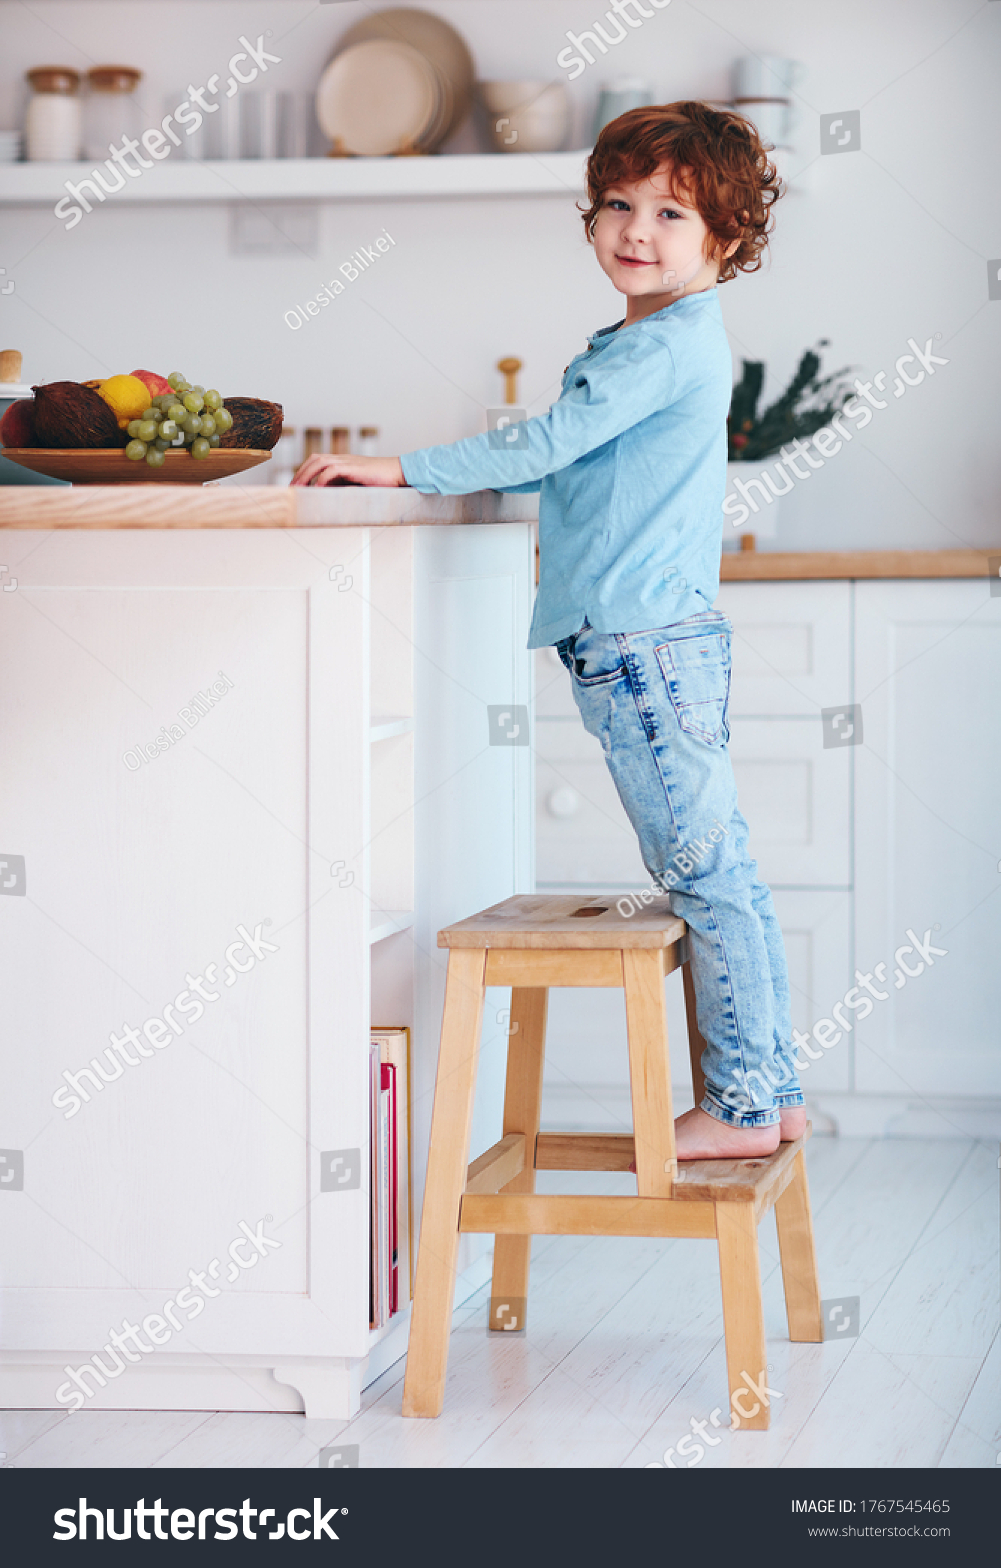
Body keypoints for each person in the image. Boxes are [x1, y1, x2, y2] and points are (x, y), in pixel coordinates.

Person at [293, 101, 805, 1160]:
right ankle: (768, 1093)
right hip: (653, 640)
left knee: (705, 874)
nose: (634, 229)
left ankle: (746, 1106)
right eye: (618, 203)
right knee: (718, 871)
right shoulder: (648, 336)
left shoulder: (659, 345)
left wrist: (401, 468)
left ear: (726, 237)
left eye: (671, 212)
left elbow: (547, 441)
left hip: (643, 646)